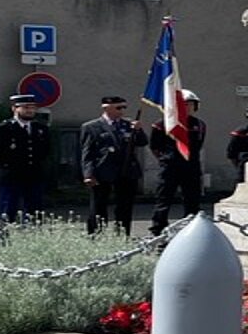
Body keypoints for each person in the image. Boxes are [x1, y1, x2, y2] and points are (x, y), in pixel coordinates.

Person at [79, 95, 148, 235]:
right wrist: (88, 174)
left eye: (124, 107)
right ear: (106, 107)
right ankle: (96, 235)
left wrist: (139, 130)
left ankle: (122, 234)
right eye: (118, 107)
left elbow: (142, 143)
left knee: (125, 206)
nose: (122, 111)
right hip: (103, 170)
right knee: (98, 206)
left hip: (126, 171)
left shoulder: (128, 124)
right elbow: (87, 152)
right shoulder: (91, 127)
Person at [0, 93, 52, 224]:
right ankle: (1, 242)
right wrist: (3, 163)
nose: (30, 111)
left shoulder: (40, 128)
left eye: (32, 108)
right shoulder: (3, 129)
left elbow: (45, 151)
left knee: (35, 213)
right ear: (15, 108)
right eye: (26, 108)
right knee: (7, 211)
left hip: (33, 175)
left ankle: (32, 241)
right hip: (11, 176)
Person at [148, 90, 206, 235]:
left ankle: (191, 230)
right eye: (183, 104)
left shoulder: (199, 125)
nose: (187, 107)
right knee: (164, 200)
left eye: (190, 104)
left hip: (191, 167)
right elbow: (155, 146)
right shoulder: (162, 124)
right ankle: (159, 230)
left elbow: (198, 145)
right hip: (170, 167)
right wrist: (166, 159)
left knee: (192, 200)